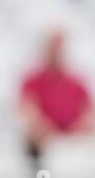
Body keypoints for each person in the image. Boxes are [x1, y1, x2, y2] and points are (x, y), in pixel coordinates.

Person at [19, 27, 92, 162]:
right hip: (43, 143)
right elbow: (27, 110)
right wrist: (44, 130)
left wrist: (80, 128)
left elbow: (89, 110)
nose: (56, 51)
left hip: (73, 139)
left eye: (60, 47)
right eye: (53, 46)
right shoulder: (32, 80)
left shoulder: (76, 81)